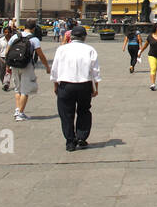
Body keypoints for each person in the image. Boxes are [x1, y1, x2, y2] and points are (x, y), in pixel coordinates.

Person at [50, 24, 100, 152]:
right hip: (85, 85)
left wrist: (55, 85)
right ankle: (81, 137)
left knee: (66, 114)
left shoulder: (62, 49)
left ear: (71, 37)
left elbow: (55, 69)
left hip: (66, 85)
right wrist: (95, 88)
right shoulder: (90, 49)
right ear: (84, 37)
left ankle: (70, 141)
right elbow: (95, 71)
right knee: (84, 111)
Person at [6, 21, 50, 121]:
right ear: (33, 29)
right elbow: (40, 55)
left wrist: (8, 65)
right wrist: (47, 66)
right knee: (25, 90)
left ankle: (18, 110)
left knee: (17, 89)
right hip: (26, 66)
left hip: (14, 65)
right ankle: (20, 114)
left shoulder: (15, 36)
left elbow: (7, 51)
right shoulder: (34, 39)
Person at [0, 24, 15, 89]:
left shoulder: (14, 40)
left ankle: (6, 83)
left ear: (11, 33)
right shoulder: (0, 40)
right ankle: (3, 81)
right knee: (2, 72)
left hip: (10, 58)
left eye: (8, 32)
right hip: (2, 58)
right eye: (5, 32)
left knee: (8, 71)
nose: (7, 34)